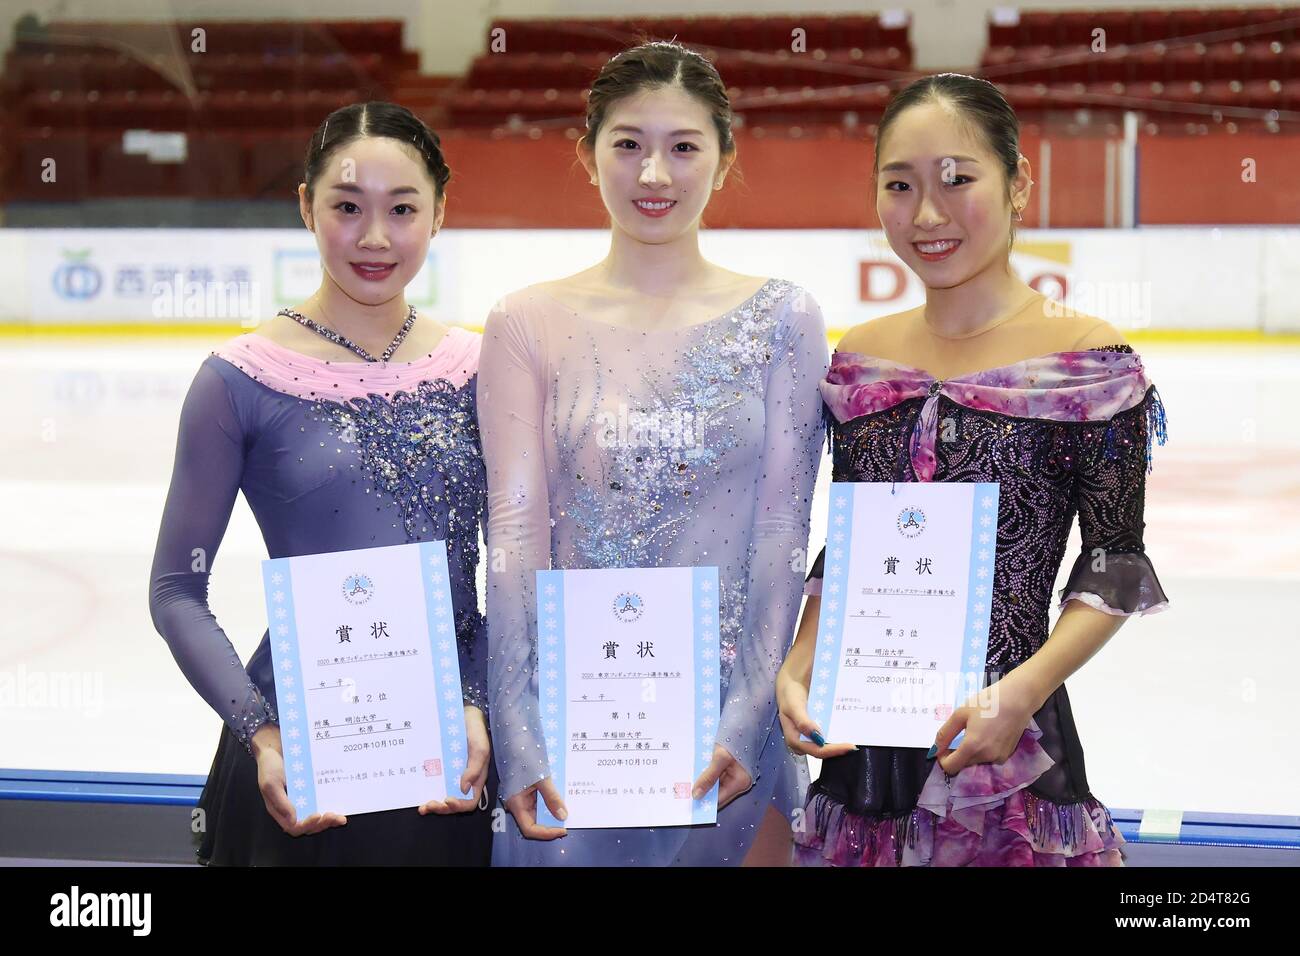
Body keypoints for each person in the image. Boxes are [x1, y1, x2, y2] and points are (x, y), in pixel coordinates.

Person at [777, 73, 1169, 867]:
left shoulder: (1087, 362)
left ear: (1019, 183)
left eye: (958, 179)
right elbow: (853, 544)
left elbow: (1113, 567)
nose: (927, 213)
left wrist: (1020, 693)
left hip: (1010, 754)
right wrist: (798, 662)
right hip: (866, 751)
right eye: (900, 185)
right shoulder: (861, 360)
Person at [477, 40, 828, 866]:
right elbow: (515, 539)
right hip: (577, 726)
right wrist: (518, 728)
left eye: (683, 147)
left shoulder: (784, 318)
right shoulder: (525, 322)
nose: (654, 175)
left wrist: (747, 718)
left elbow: (782, 529)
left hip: (731, 735)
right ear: (587, 151)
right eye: (628, 144)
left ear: (725, 156)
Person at [148, 101, 494, 865]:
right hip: (299, 756)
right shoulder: (239, 379)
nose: (375, 237)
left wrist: (478, 702)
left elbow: (512, 567)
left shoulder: (481, 371)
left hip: (455, 755)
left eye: (403, 209)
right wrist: (262, 733)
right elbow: (176, 588)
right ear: (306, 206)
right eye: (346, 207)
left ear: (439, 212)